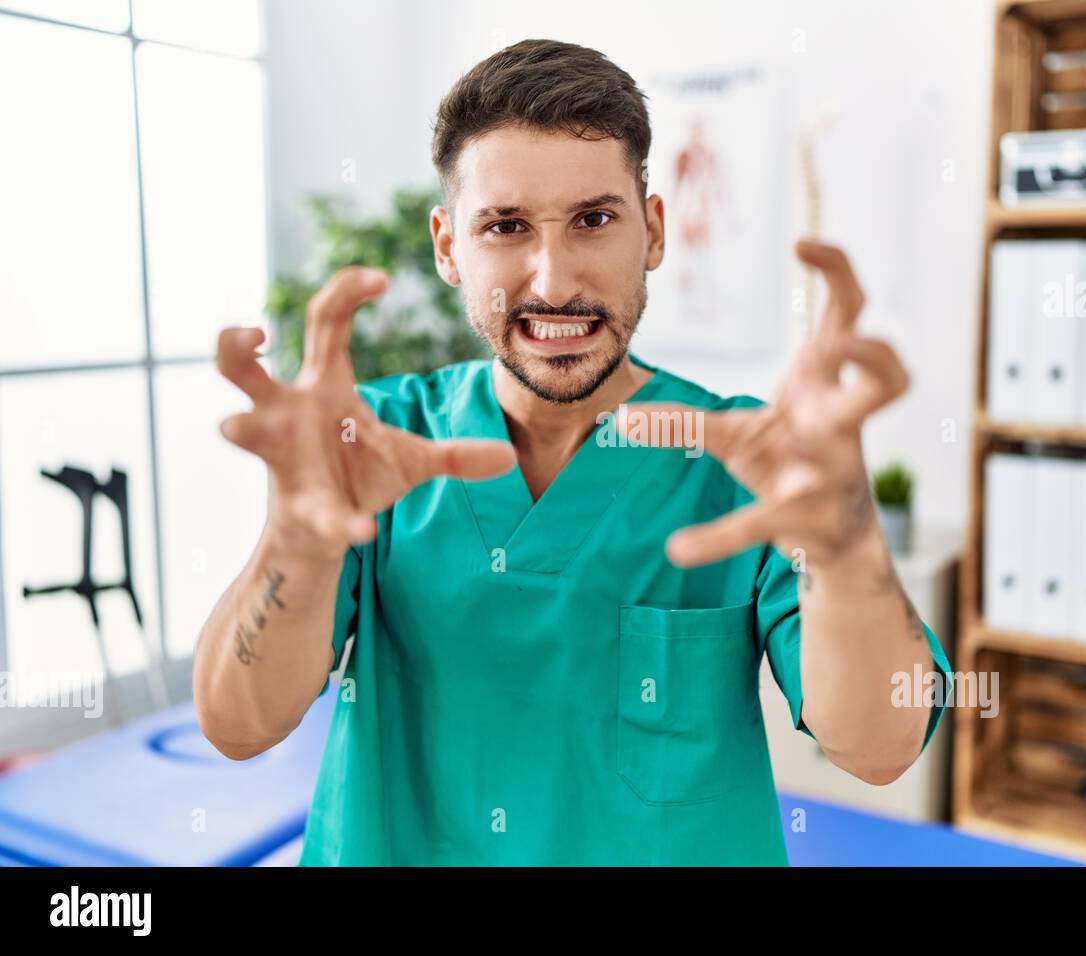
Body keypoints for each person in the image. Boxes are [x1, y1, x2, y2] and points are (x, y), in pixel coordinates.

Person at [193, 38, 953, 866]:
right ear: (450, 247)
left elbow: (879, 749)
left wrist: (845, 550)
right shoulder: (374, 443)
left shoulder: (750, 463)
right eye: (507, 226)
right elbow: (238, 725)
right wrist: (297, 544)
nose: (554, 280)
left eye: (594, 220)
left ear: (652, 231)